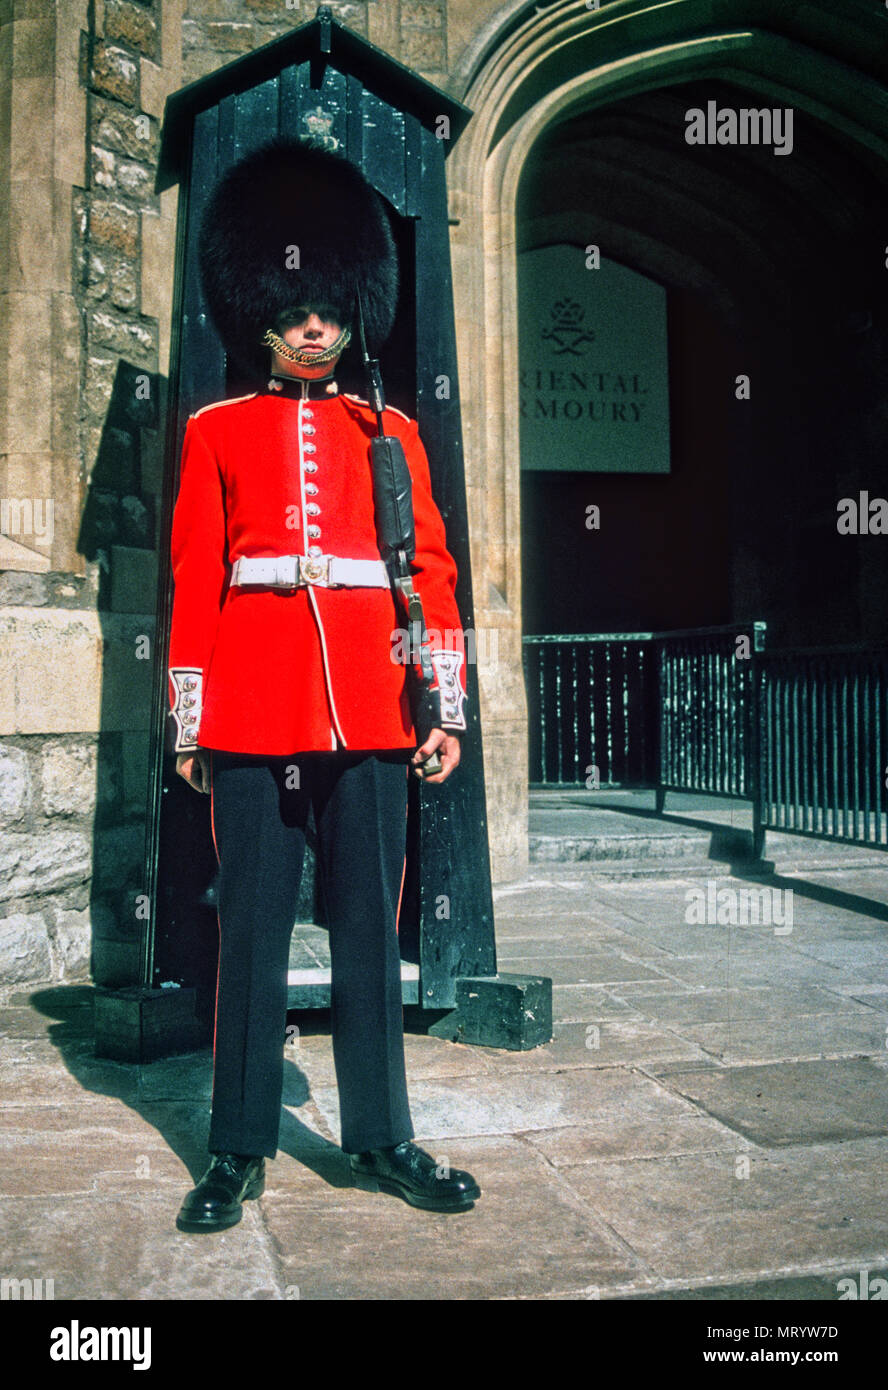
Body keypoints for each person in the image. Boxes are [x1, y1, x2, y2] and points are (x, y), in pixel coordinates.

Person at [168, 137, 480, 1232]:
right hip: (253, 704)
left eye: (330, 307)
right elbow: (196, 579)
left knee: (367, 929)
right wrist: (190, 716)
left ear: (354, 310)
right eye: (295, 305)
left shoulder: (391, 432)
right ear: (258, 306)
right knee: (247, 929)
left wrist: (440, 701)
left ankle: (383, 1135)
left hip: (371, 703)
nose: (315, 324)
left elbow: (429, 573)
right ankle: (236, 1145)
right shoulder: (216, 430)